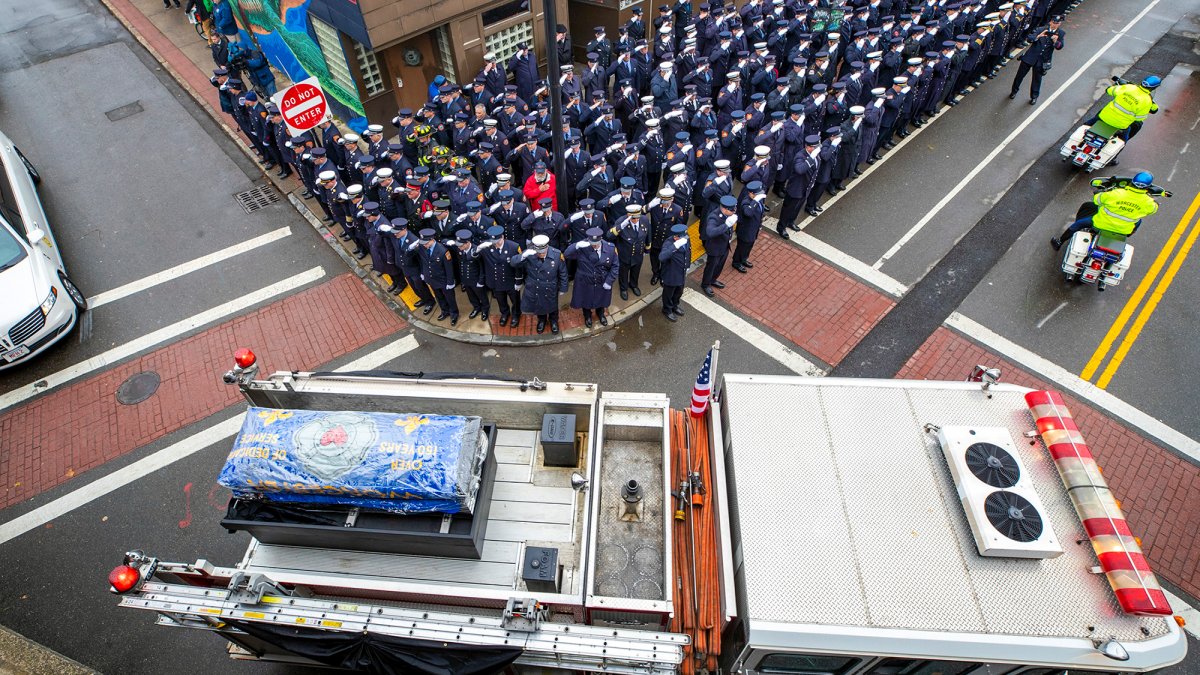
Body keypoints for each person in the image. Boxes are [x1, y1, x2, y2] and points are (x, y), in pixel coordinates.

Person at [1051, 172, 1160, 250]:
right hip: (1122, 231)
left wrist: (1100, 192)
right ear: (1148, 187)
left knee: (1079, 224)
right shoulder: (1149, 202)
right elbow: (1153, 210)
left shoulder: (1116, 193)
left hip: (1100, 224)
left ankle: (1059, 242)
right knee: (1138, 220)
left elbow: (1097, 200)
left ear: (1132, 182)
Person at [510, 234, 568, 334]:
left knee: (552, 305)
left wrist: (563, 287)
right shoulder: (529, 253)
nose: (540, 254)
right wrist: (523, 255)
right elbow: (513, 263)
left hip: (550, 286)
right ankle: (542, 320)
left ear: (547, 247)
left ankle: (554, 321)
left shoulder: (557, 254)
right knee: (539, 305)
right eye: (538, 252)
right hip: (535, 285)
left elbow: (563, 272)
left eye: (542, 252)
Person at [565, 228, 619, 328]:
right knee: (586, 300)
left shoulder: (610, 248)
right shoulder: (582, 247)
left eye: (597, 243)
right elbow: (566, 254)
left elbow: (615, 266)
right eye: (592, 243)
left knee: (601, 299)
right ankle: (587, 316)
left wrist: (609, 281)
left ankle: (600, 313)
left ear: (601, 239)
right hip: (585, 281)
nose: (594, 245)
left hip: (602, 280)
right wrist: (576, 245)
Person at [1092, 75, 1161, 151]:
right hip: (1120, 125)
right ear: (1154, 87)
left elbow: (1109, 90)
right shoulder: (1147, 101)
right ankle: (1113, 158)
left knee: (1087, 124)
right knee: (1122, 142)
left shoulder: (1129, 87)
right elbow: (1140, 118)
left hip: (1103, 117)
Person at [1008, 15, 1064, 105]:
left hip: (1042, 60)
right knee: (1019, 76)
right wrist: (1038, 36)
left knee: (1037, 79)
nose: (1054, 25)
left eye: (1057, 23)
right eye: (1053, 22)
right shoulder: (1041, 29)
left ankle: (1034, 96)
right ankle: (1014, 91)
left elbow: (1060, 47)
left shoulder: (1060, 33)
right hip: (1030, 57)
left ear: (1059, 24)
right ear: (1050, 22)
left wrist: (1055, 42)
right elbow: (1029, 38)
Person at [475, 225, 523, 327]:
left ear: (502, 237)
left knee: (515, 301)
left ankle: (516, 315)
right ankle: (505, 313)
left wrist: (518, 281)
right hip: (496, 281)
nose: (495, 244)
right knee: (501, 300)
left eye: (497, 241)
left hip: (510, 281)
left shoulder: (514, 246)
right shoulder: (486, 247)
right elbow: (473, 257)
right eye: (493, 242)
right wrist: (477, 249)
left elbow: (519, 266)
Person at [414, 228, 460, 324]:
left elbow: (449, 268)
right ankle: (444, 311)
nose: (424, 245)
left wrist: (450, 282)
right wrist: (423, 273)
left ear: (432, 239)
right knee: (439, 297)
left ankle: (454, 313)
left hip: (443, 280)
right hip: (431, 278)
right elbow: (423, 261)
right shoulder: (423, 247)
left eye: (426, 243)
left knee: (450, 298)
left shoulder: (443, 251)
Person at [700, 194, 736, 296]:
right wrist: (726, 225)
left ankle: (713, 279)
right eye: (732, 210)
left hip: (724, 245)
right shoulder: (714, 217)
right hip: (715, 247)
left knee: (720, 265)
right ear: (724, 209)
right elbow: (710, 232)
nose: (733, 212)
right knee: (711, 266)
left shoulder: (728, 214)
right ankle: (705, 284)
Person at [732, 181, 767, 272]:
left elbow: (760, 212)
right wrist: (755, 201)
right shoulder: (746, 202)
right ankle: (736, 262)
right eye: (756, 195)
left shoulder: (758, 199)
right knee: (742, 247)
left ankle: (743, 259)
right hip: (745, 230)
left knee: (749, 246)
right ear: (750, 193)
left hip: (753, 228)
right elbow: (748, 213)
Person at [658, 224, 690, 321]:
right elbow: (662, 257)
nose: (685, 238)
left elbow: (688, 252)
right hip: (671, 274)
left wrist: (687, 265)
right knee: (668, 294)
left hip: (681, 272)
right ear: (676, 237)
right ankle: (667, 309)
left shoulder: (685, 239)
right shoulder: (668, 243)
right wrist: (675, 246)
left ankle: (674, 306)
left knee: (679, 291)